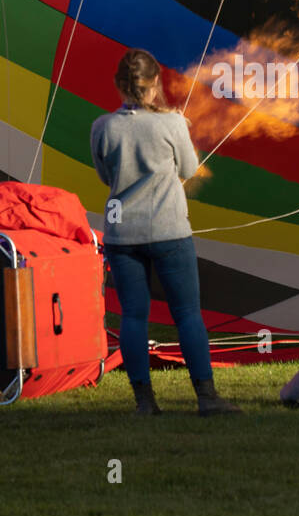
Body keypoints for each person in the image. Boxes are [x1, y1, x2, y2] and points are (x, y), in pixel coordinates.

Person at [90, 48, 240, 417]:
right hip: (169, 231)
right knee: (187, 313)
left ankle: (145, 403)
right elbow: (189, 167)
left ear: (119, 85)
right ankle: (206, 398)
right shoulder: (173, 123)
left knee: (132, 317)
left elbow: (105, 176)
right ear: (155, 83)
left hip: (123, 235)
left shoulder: (103, 127)